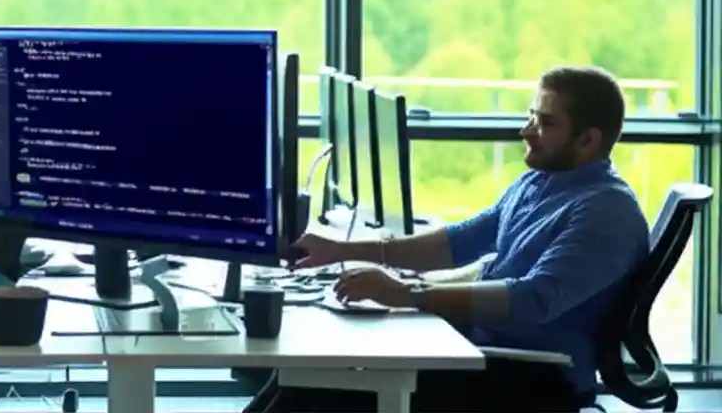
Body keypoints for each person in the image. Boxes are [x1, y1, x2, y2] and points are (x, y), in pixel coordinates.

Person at [255, 66, 649, 413]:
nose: (526, 131)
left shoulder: (605, 212)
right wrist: (339, 251)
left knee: (329, 393)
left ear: (588, 141)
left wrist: (409, 295)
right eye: (531, 116)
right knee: (305, 374)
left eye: (545, 123)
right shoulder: (540, 182)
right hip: (483, 351)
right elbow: (458, 242)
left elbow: (533, 300)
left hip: (535, 375)